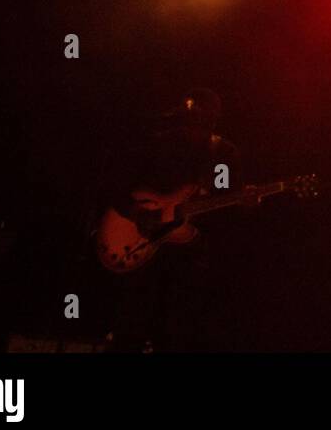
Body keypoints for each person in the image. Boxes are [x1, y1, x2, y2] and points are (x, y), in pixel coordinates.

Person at [101, 87, 242, 352]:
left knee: (177, 328)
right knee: (131, 324)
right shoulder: (154, 145)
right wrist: (136, 212)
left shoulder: (222, 153)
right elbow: (114, 185)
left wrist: (243, 201)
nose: (193, 122)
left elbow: (225, 197)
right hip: (143, 246)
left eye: (200, 116)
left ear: (212, 118)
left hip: (189, 254)